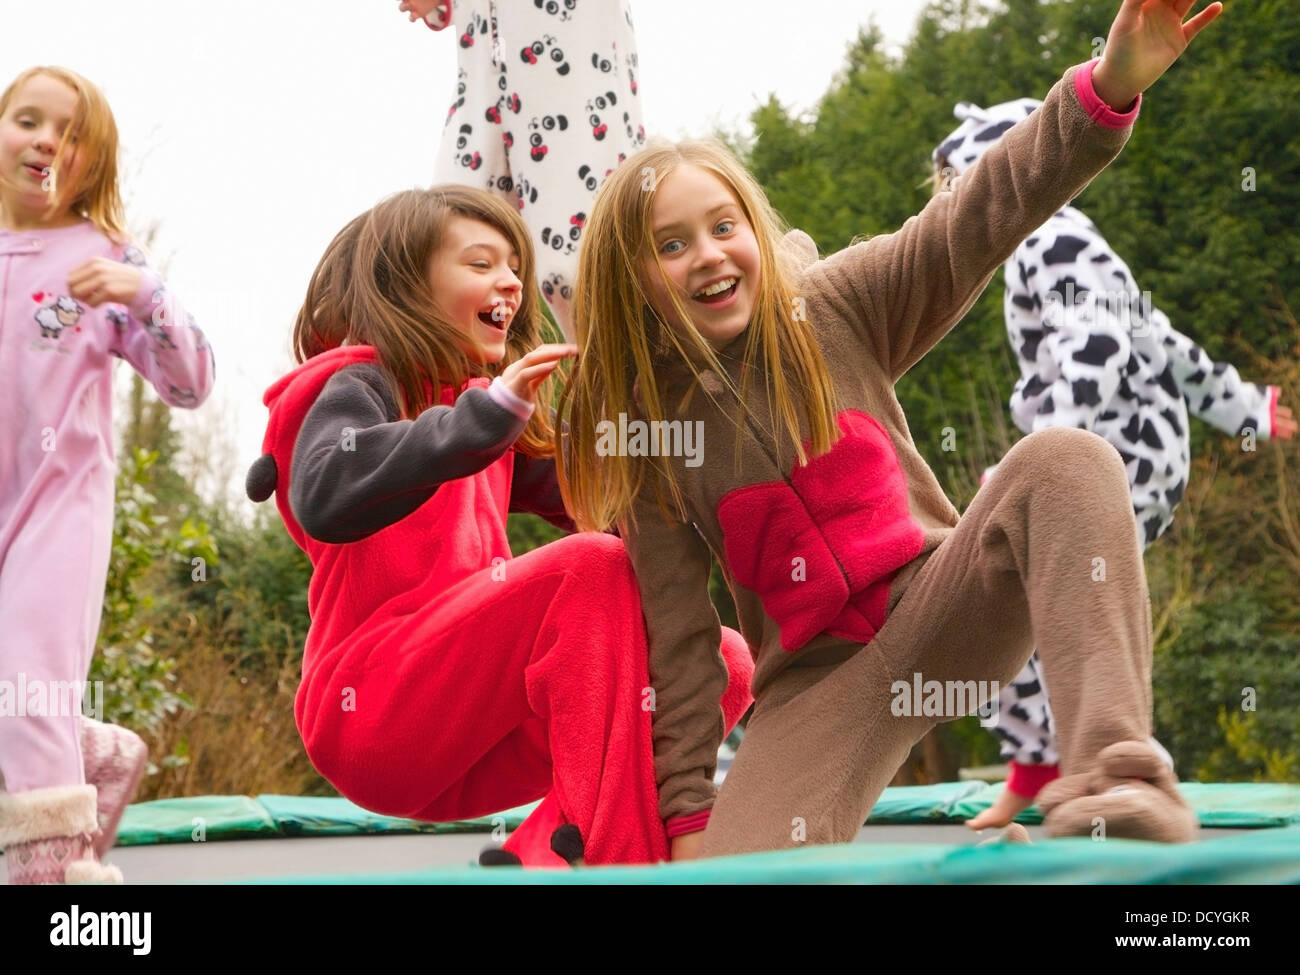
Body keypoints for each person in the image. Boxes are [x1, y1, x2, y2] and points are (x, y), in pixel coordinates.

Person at [558, 0, 1225, 858]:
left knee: (1066, 459)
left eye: (724, 227)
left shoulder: (835, 306)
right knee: (741, 878)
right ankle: (995, 864)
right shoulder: (651, 442)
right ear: (635, 277)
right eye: (673, 245)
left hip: (943, 608)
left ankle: (1118, 773)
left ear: (754, 229)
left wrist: (1103, 89)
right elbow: (678, 644)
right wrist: (689, 819)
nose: (711, 255)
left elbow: (977, 217)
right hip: (817, 689)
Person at [245, 185, 751, 866]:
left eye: (514, 265)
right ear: (404, 289)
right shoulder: (360, 384)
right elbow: (324, 491)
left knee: (717, 659)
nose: (510, 281)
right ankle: (623, 862)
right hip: (374, 707)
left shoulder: (481, 419)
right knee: (588, 566)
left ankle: (549, 853)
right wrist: (484, 419)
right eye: (482, 264)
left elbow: (604, 497)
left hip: (479, 733)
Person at [929, 94, 1295, 830]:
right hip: (1138, 450)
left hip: (1111, 455)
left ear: (999, 185)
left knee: (1052, 600)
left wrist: (1037, 463)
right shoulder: (1069, 241)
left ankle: (1078, 769)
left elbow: (1098, 351)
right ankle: (1046, 766)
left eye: (953, 197)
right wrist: (1242, 406)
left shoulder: (1048, 241)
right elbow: (1160, 338)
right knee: (1048, 602)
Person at [0, 66, 214, 884]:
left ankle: (54, 889)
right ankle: (94, 749)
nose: (48, 141)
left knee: (25, 684)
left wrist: (148, 293)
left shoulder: (103, 257)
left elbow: (191, 385)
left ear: (93, 163)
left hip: (59, 512)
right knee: (27, 706)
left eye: (73, 133)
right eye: (29, 121)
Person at [397, 0, 646, 342]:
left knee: (577, 270)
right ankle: (459, 391)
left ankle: (622, 386)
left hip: (573, 71)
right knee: (441, 246)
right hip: (484, 75)